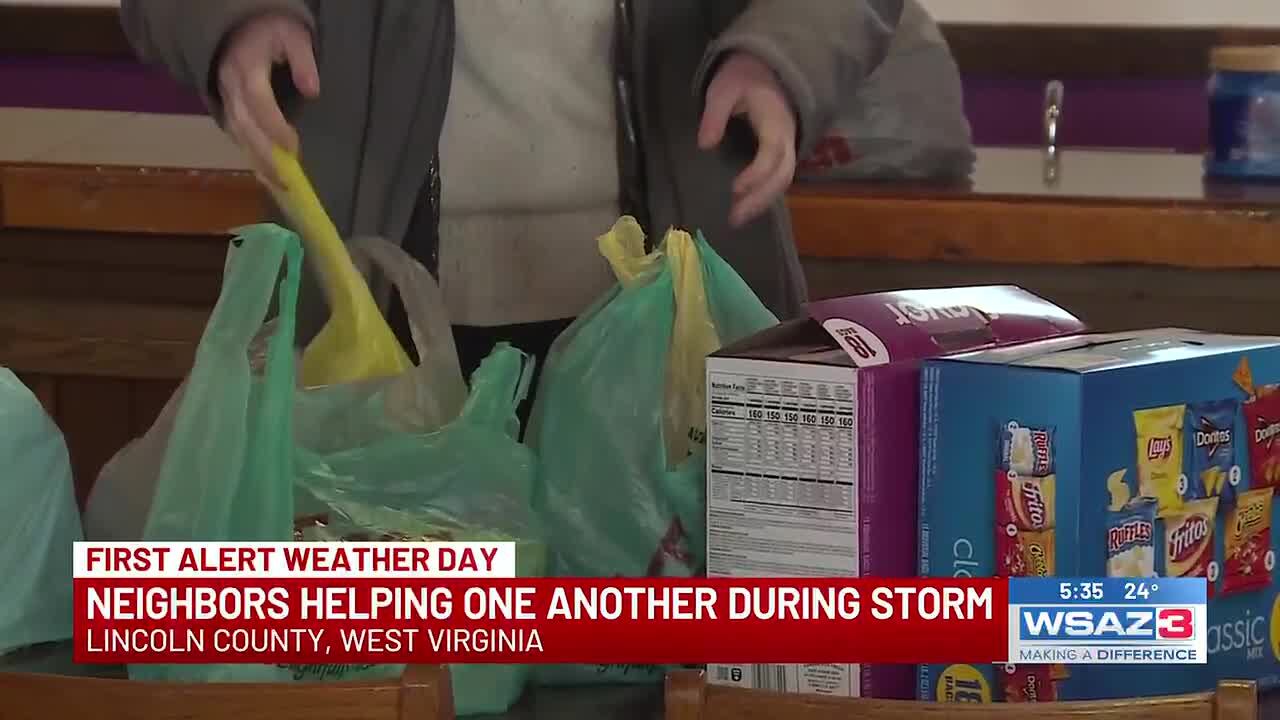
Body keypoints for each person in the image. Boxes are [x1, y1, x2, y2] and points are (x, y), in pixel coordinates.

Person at [121, 0, 903, 410]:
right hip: (374, 304)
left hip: (676, 298)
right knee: (397, 639)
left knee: (661, 629)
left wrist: (779, 56)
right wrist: (242, 14)